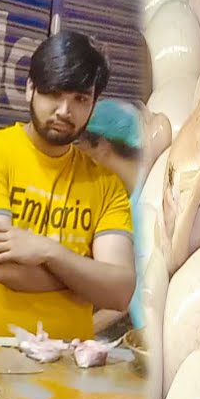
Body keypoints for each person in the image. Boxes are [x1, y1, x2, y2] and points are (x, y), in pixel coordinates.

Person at [0, 31, 136, 341]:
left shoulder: (106, 184)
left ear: (93, 104)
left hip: (73, 367)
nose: (65, 111)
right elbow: (5, 269)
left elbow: (119, 293)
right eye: (54, 93)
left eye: (80, 99)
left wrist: (49, 252)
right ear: (30, 89)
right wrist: (89, 276)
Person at [76, 98, 145, 339]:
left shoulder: (147, 203)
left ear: (102, 146)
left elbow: (129, 292)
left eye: (81, 145)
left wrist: (75, 334)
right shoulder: (128, 199)